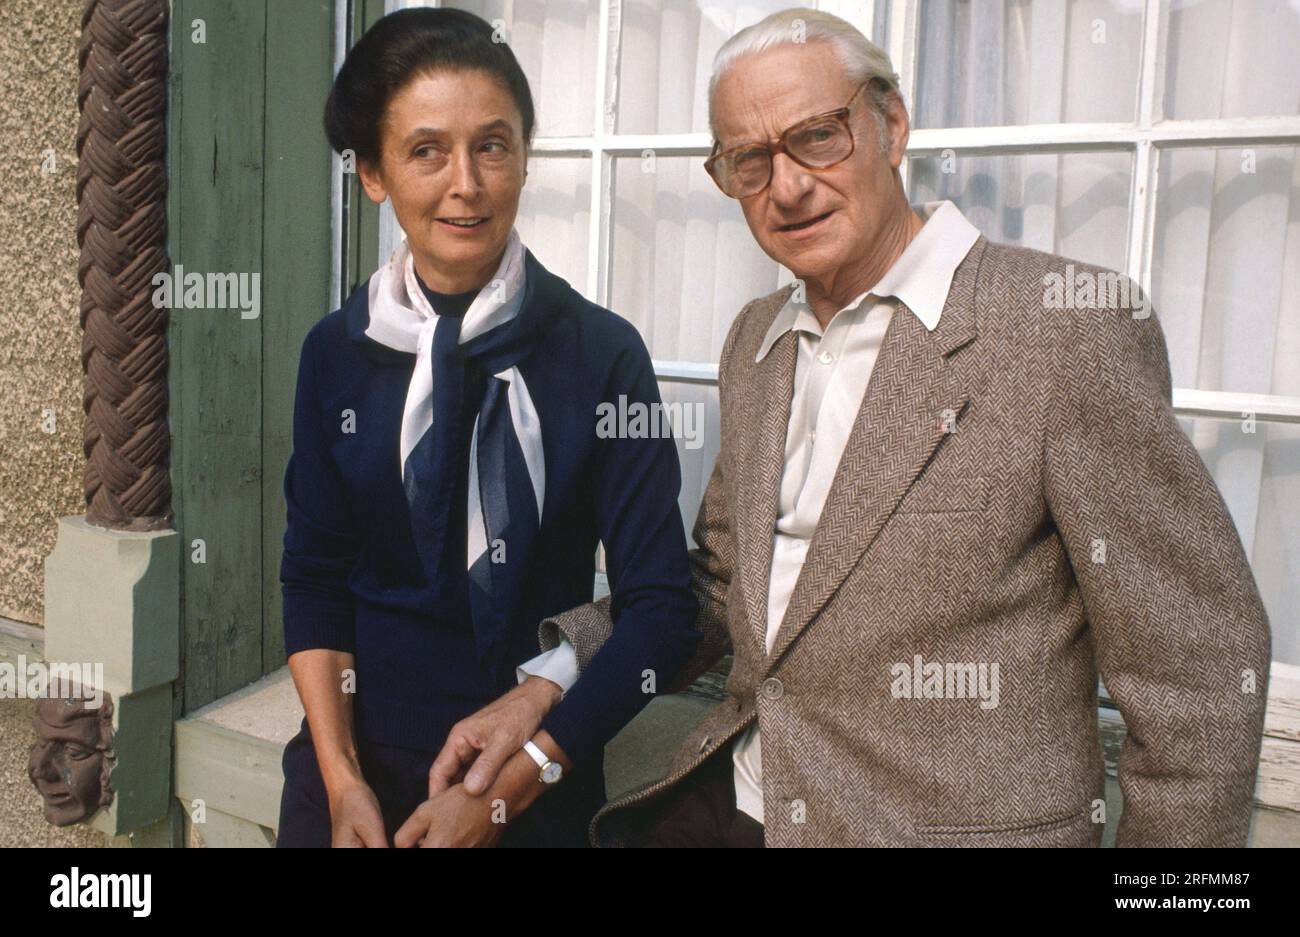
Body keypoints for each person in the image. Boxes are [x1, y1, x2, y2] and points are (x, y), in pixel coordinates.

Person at [433, 7, 1272, 847]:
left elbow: (1196, 672)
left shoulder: (1065, 331)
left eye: (817, 136)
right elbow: (720, 587)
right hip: (734, 807)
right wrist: (550, 681)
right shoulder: (756, 342)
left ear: (891, 124)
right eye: (750, 160)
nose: (788, 185)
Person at [274, 7, 698, 848]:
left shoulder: (603, 355)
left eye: (492, 145)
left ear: (524, 158)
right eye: (426, 150)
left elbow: (661, 610)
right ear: (373, 175)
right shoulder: (335, 353)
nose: (465, 182)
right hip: (356, 772)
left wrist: (519, 780)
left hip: (541, 768)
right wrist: (341, 782)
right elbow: (315, 580)